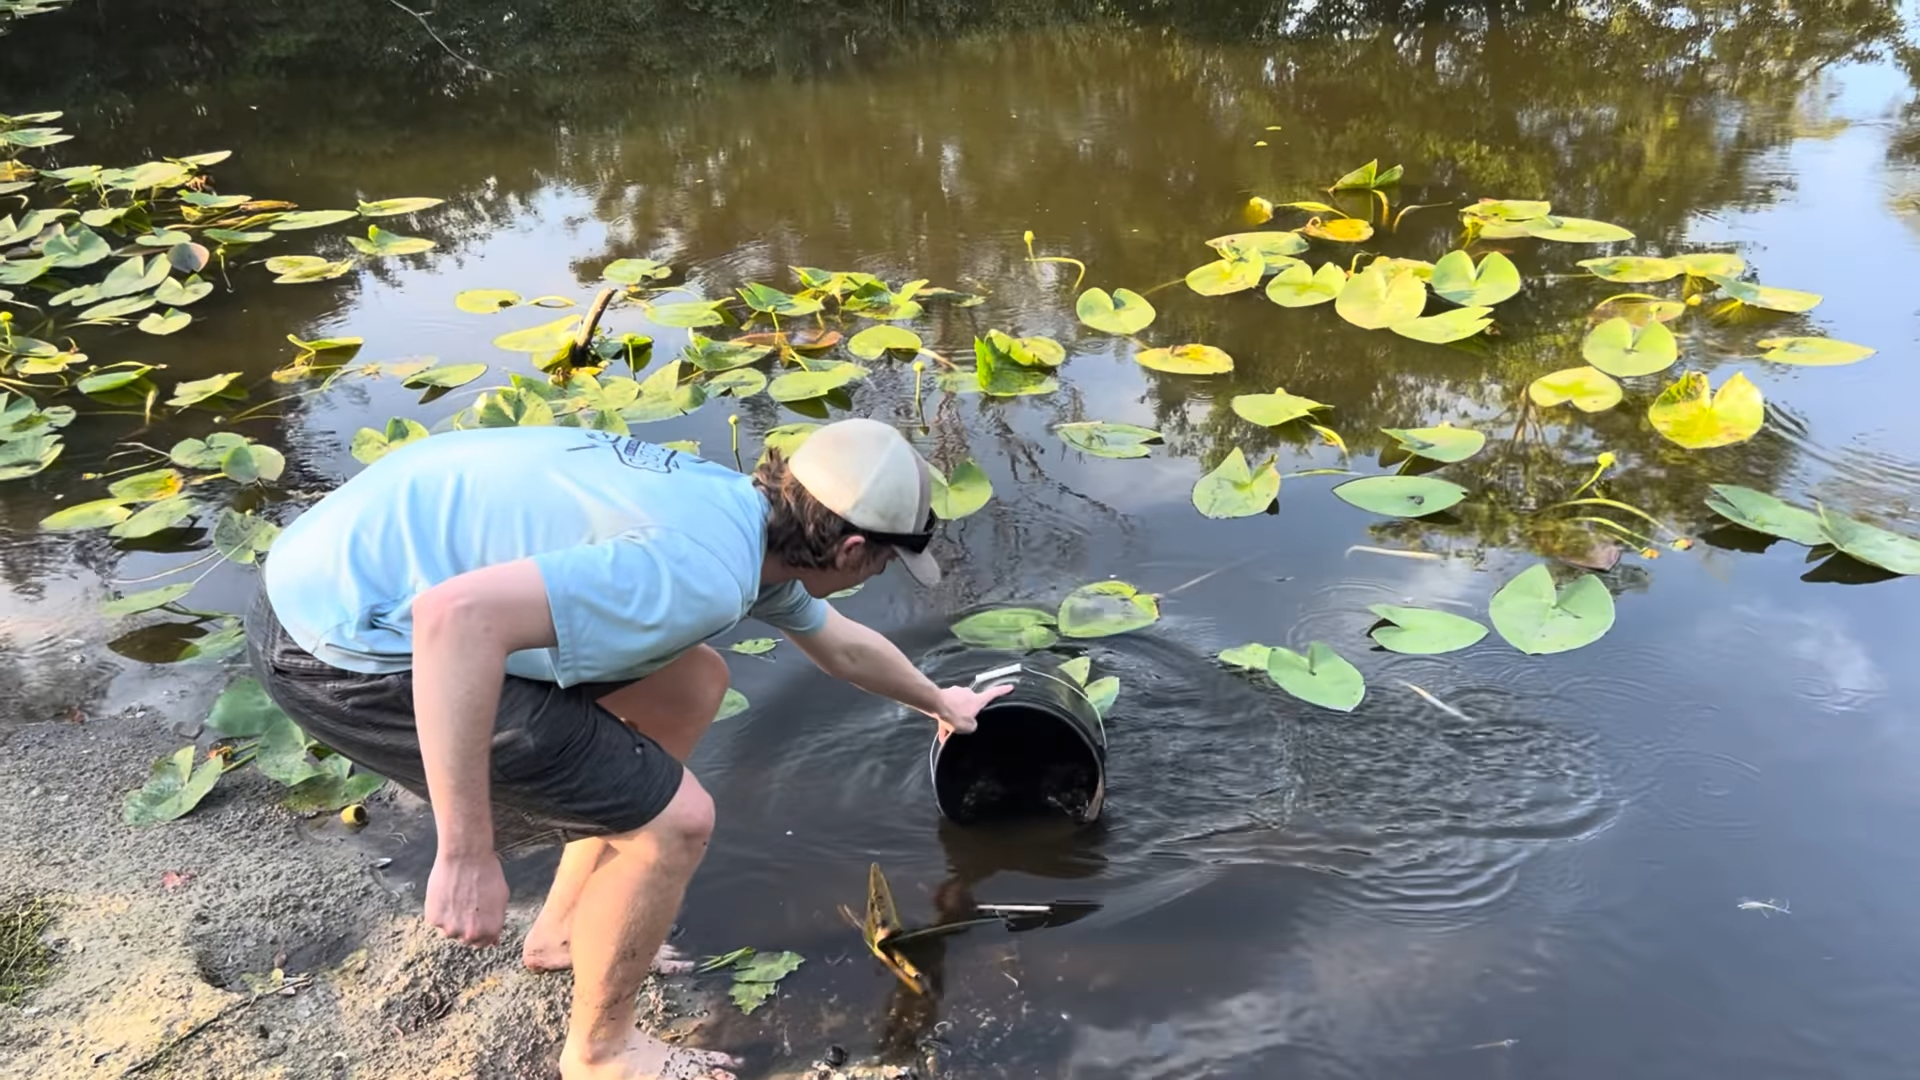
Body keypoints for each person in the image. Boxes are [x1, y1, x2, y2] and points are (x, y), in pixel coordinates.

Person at [243, 416, 1011, 1080]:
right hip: (341, 648)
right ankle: (600, 1053)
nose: (877, 576)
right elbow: (455, 620)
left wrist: (942, 704)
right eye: (884, 561)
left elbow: (838, 645)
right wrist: (466, 850)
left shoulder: (741, 516)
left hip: (331, 569)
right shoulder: (697, 572)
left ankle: (565, 930)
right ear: (848, 550)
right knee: (676, 824)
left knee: (692, 683)